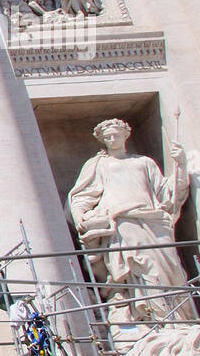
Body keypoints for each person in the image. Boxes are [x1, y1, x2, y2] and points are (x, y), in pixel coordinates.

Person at [68, 118, 193, 325]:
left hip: (152, 220)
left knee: (170, 271)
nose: (111, 139)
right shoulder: (98, 164)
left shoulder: (144, 162)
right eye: (107, 137)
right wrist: (80, 215)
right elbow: (83, 195)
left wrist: (180, 163)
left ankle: (178, 320)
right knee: (142, 269)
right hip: (123, 222)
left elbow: (167, 194)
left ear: (125, 135)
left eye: (115, 135)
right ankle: (153, 319)